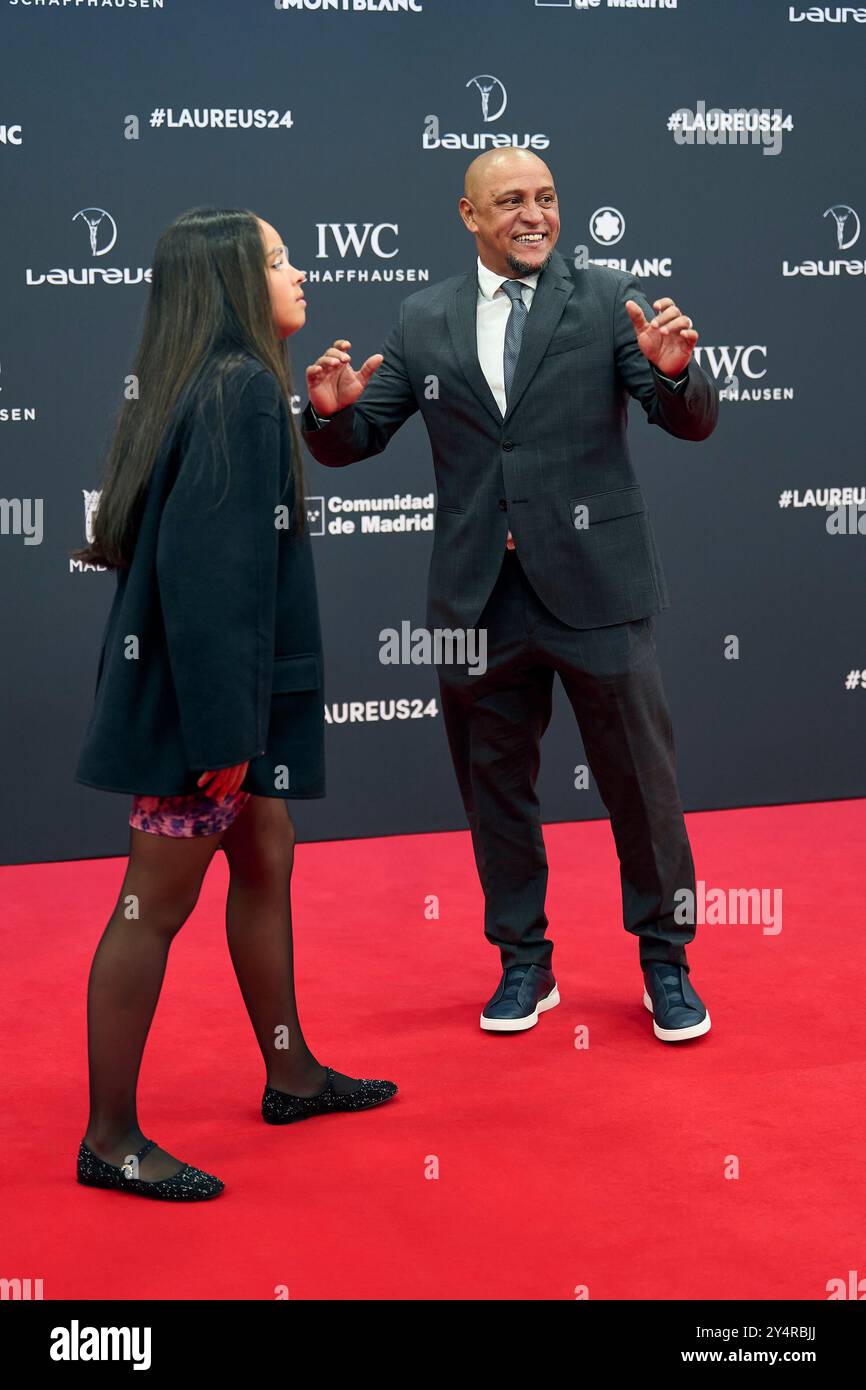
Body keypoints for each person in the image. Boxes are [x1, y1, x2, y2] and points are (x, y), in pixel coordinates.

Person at [301, 149, 719, 1042]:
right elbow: (357, 439)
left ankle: (665, 963)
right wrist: (330, 414)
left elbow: (685, 417)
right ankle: (524, 962)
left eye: (547, 198)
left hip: (598, 585)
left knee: (642, 788)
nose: (533, 215)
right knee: (495, 789)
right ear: (468, 215)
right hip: (477, 598)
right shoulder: (422, 319)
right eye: (511, 202)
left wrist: (678, 373)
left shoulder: (610, 298)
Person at [71, 207, 396, 1202]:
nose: (299, 272)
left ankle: (291, 1073)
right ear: (231, 284)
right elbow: (207, 578)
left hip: (222, 695)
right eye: (277, 259)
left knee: (266, 852)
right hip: (200, 709)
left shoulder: (224, 387)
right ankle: (110, 1138)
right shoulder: (238, 391)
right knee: (148, 905)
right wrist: (223, 733)